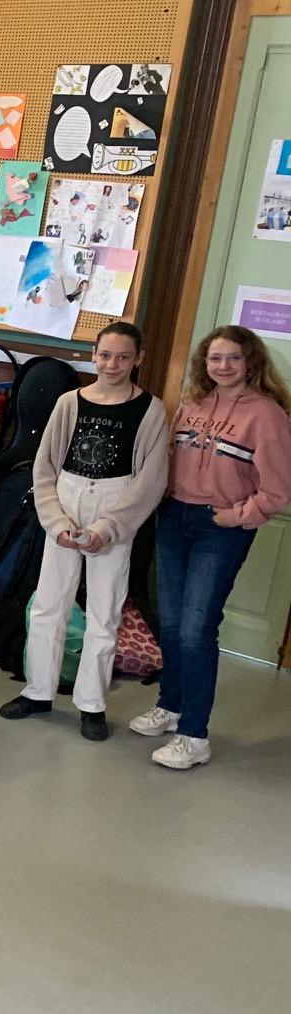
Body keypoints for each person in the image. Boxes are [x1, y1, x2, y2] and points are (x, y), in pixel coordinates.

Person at [130, 326, 291, 769]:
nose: (223, 367)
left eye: (233, 359)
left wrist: (235, 516)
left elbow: (277, 491)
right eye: (215, 358)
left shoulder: (267, 415)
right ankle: (171, 706)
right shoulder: (190, 404)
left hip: (220, 529)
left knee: (197, 629)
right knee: (173, 623)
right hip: (174, 519)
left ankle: (194, 736)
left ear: (251, 362)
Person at [0, 324, 168, 741]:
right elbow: (45, 466)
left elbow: (150, 480)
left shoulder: (151, 411)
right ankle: (39, 690)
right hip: (67, 499)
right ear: (94, 355)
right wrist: (55, 521)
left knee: (104, 611)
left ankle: (91, 703)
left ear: (138, 359)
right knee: (48, 603)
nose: (112, 365)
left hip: (115, 504)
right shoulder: (69, 402)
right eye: (105, 355)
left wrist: (110, 529)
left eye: (123, 357)